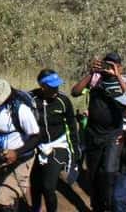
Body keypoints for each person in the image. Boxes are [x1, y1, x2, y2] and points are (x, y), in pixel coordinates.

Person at [71, 52, 126, 212]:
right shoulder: (95, 79)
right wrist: (91, 73)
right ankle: (97, 207)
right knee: (93, 173)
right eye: (106, 64)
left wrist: (118, 76)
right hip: (93, 133)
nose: (108, 68)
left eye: (112, 65)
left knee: (109, 171)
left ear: (120, 67)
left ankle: (110, 206)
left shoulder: (123, 82)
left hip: (113, 135)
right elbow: (75, 92)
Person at [0, 76, 39, 212]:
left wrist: (16, 153)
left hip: (22, 158)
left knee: (4, 200)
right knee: (7, 192)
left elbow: (36, 137)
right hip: (0, 158)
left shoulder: (20, 109)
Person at [29, 69, 87, 212]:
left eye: (57, 85)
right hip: (36, 146)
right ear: (42, 86)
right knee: (35, 184)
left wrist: (74, 153)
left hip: (58, 145)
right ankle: (35, 209)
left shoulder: (63, 101)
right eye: (52, 86)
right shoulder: (30, 99)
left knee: (48, 187)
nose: (56, 88)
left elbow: (71, 129)